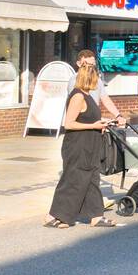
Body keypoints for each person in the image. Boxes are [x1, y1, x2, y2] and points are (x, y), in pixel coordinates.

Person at [44, 63, 117, 228]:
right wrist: (94, 126)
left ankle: (96, 216)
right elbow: (69, 124)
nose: (98, 82)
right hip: (77, 146)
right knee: (73, 179)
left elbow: (87, 119)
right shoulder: (78, 96)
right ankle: (54, 216)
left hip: (90, 145)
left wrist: (101, 123)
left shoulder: (88, 95)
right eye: (96, 78)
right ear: (90, 78)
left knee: (92, 178)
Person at [76, 49, 123, 123]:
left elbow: (105, 99)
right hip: (82, 124)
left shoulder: (97, 80)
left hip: (95, 121)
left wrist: (118, 116)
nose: (90, 68)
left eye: (92, 65)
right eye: (87, 65)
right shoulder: (74, 80)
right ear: (79, 64)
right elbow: (75, 107)